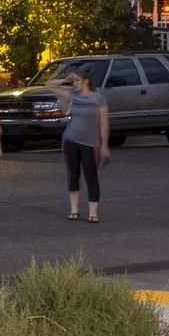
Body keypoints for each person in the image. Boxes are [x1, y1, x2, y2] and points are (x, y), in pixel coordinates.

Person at [62, 67, 109, 222]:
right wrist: (66, 79)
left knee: (91, 176)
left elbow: (104, 123)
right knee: (73, 174)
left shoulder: (98, 99)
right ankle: (74, 210)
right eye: (73, 81)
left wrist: (104, 145)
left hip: (90, 143)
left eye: (77, 80)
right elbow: (50, 85)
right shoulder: (73, 95)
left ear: (86, 81)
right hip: (71, 140)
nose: (74, 83)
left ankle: (93, 213)